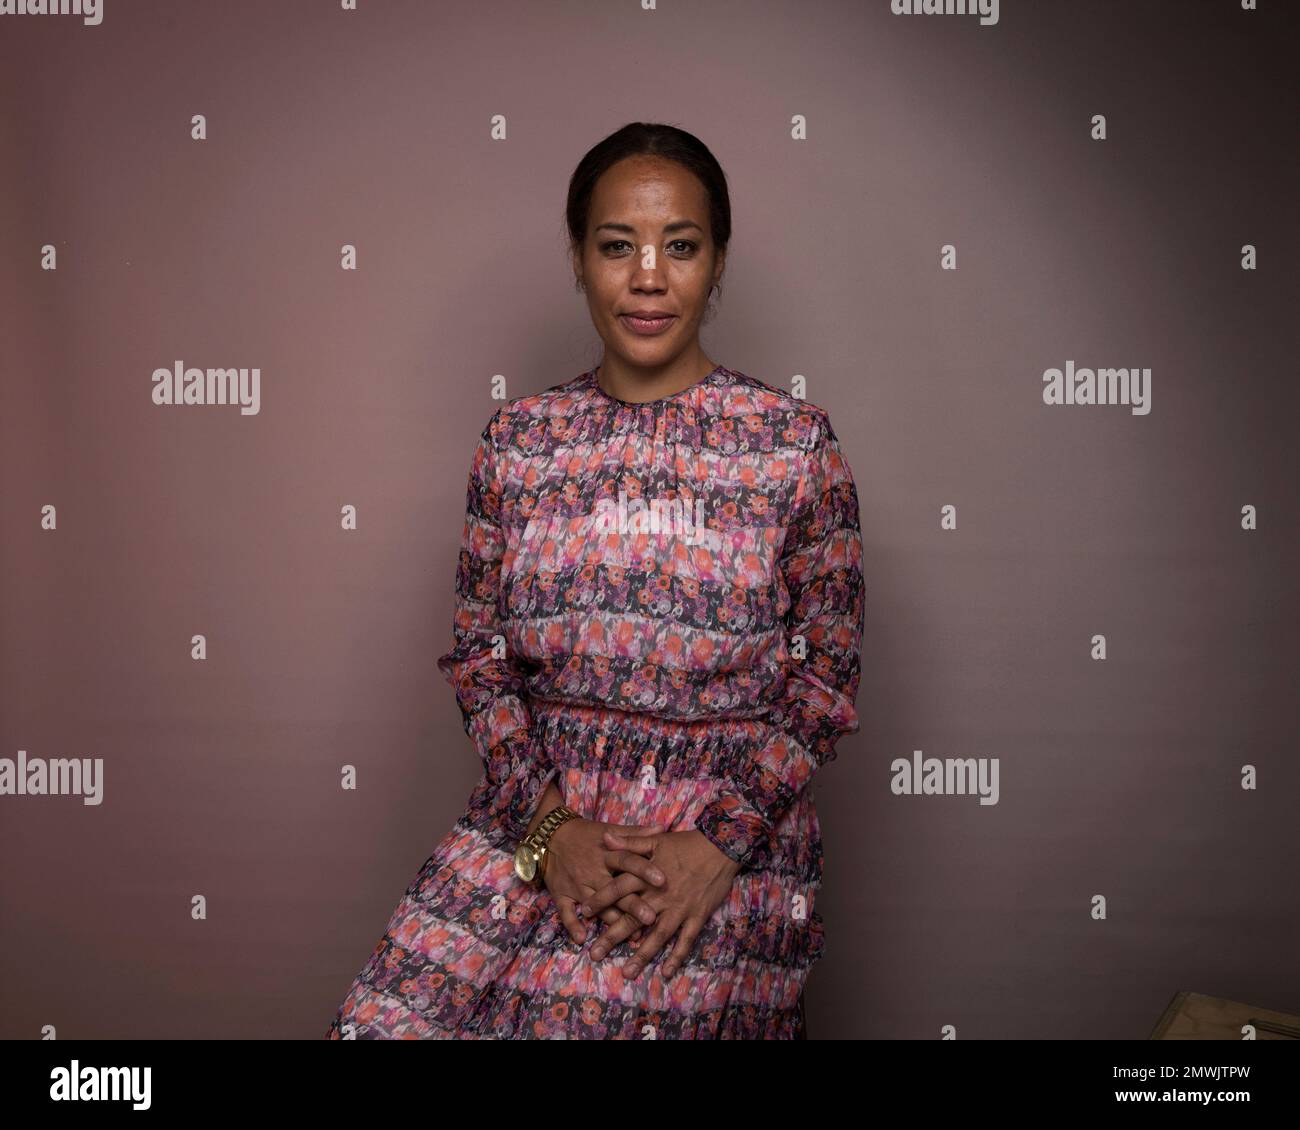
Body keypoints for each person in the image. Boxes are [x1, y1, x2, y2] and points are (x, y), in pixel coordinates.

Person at [325, 121, 864, 1039]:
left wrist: (721, 846)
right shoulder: (519, 443)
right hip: (538, 820)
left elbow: (824, 681)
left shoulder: (794, 446)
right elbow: (483, 661)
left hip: (712, 849)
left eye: (681, 246)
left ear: (717, 260)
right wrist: (547, 834)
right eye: (618, 246)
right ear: (579, 260)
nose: (648, 275)